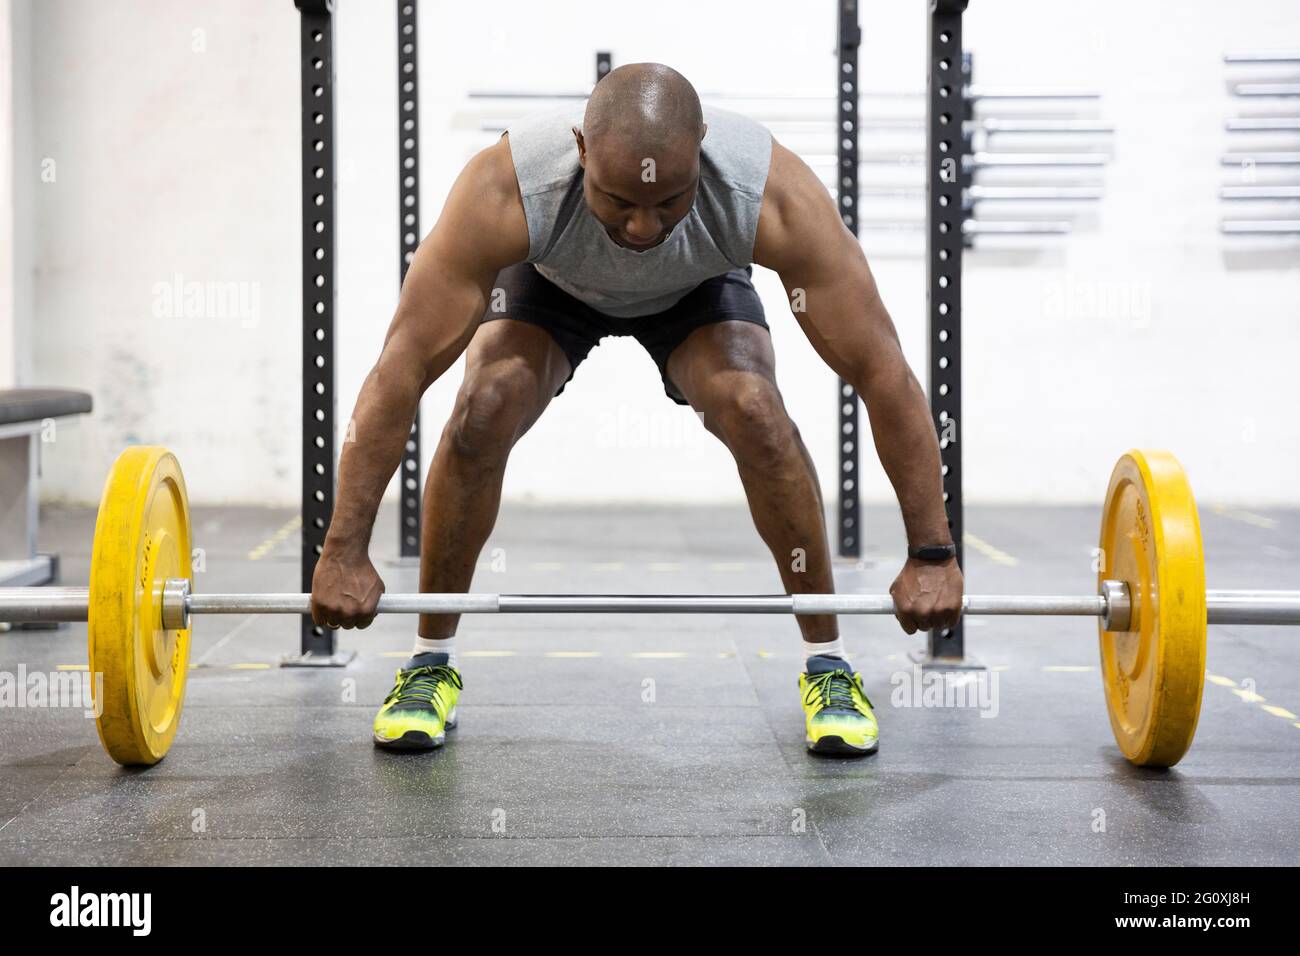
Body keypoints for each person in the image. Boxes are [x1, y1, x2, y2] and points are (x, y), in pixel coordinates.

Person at [310, 63, 964, 757]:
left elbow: (881, 369)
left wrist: (932, 552)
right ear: (580, 151)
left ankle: (828, 666)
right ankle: (427, 666)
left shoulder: (768, 193)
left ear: (703, 147)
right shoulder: (506, 189)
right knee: (483, 406)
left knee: (757, 410)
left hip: (698, 289)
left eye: (669, 200)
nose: (643, 226)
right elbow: (399, 372)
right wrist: (343, 550)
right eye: (618, 199)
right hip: (553, 284)